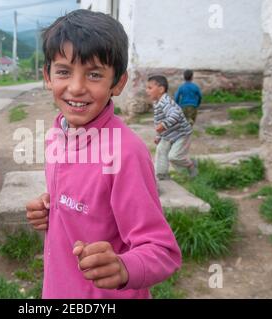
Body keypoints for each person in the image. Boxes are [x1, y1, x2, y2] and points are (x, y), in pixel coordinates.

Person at [25, 9, 181, 299]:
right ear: (47, 76)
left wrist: (124, 267)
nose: (76, 87)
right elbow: (83, 203)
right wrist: (52, 208)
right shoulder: (56, 134)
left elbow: (163, 251)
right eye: (63, 71)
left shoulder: (125, 153)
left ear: (118, 83)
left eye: (94, 74)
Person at [146, 75, 198, 180]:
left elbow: (176, 114)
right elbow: (158, 122)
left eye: (150, 88)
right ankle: (161, 174)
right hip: (168, 134)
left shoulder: (165, 102)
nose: (147, 91)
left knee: (174, 157)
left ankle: (191, 164)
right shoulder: (157, 103)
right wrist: (158, 136)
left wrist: (164, 125)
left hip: (181, 134)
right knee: (161, 149)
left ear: (161, 89)